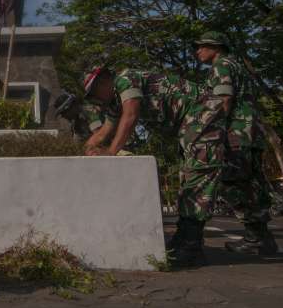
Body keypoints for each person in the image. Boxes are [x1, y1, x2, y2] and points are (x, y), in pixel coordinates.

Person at [82, 66, 229, 266]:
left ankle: (191, 247)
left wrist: (110, 152)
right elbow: (104, 130)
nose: (94, 98)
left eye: (93, 92)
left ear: (103, 81)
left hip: (202, 111)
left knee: (198, 176)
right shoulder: (114, 102)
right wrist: (86, 150)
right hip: (190, 122)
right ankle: (185, 239)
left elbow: (131, 115)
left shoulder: (125, 79)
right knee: (188, 178)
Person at [193, 32, 276, 255]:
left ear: (216, 47)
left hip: (235, 134)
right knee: (252, 184)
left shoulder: (221, 66)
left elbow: (224, 101)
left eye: (202, 46)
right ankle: (262, 237)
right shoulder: (237, 65)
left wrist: (211, 130)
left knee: (234, 184)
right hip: (250, 133)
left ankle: (255, 237)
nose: (198, 51)